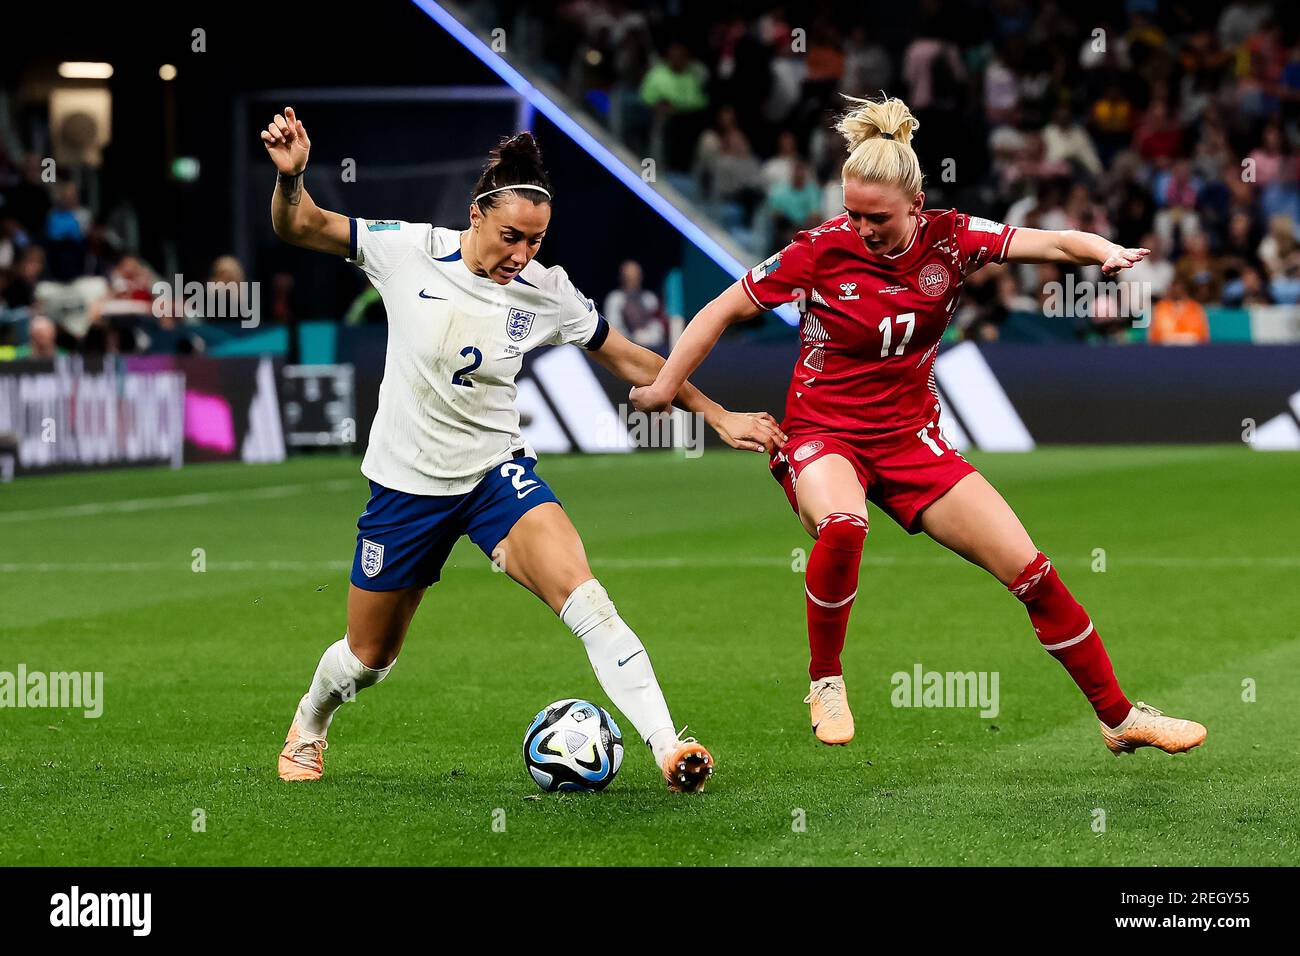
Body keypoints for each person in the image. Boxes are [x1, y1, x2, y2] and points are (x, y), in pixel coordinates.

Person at [630, 95, 1206, 758]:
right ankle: (825, 680)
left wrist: (1101, 249)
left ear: (915, 203)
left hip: (912, 441)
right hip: (823, 434)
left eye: (876, 217)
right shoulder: (818, 251)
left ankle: (1119, 715)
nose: (863, 228)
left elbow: (1045, 242)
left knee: (1032, 573)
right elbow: (718, 310)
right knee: (846, 525)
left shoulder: (952, 237)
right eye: (853, 213)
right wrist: (669, 386)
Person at [263, 107, 784, 792]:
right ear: (477, 215)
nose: (522, 256)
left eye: (535, 242)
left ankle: (667, 746)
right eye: (512, 237)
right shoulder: (405, 249)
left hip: (493, 476)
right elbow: (298, 225)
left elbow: (628, 357)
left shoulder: (547, 292)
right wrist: (294, 179)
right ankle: (309, 724)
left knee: (588, 599)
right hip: (406, 487)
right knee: (368, 657)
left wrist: (714, 414)